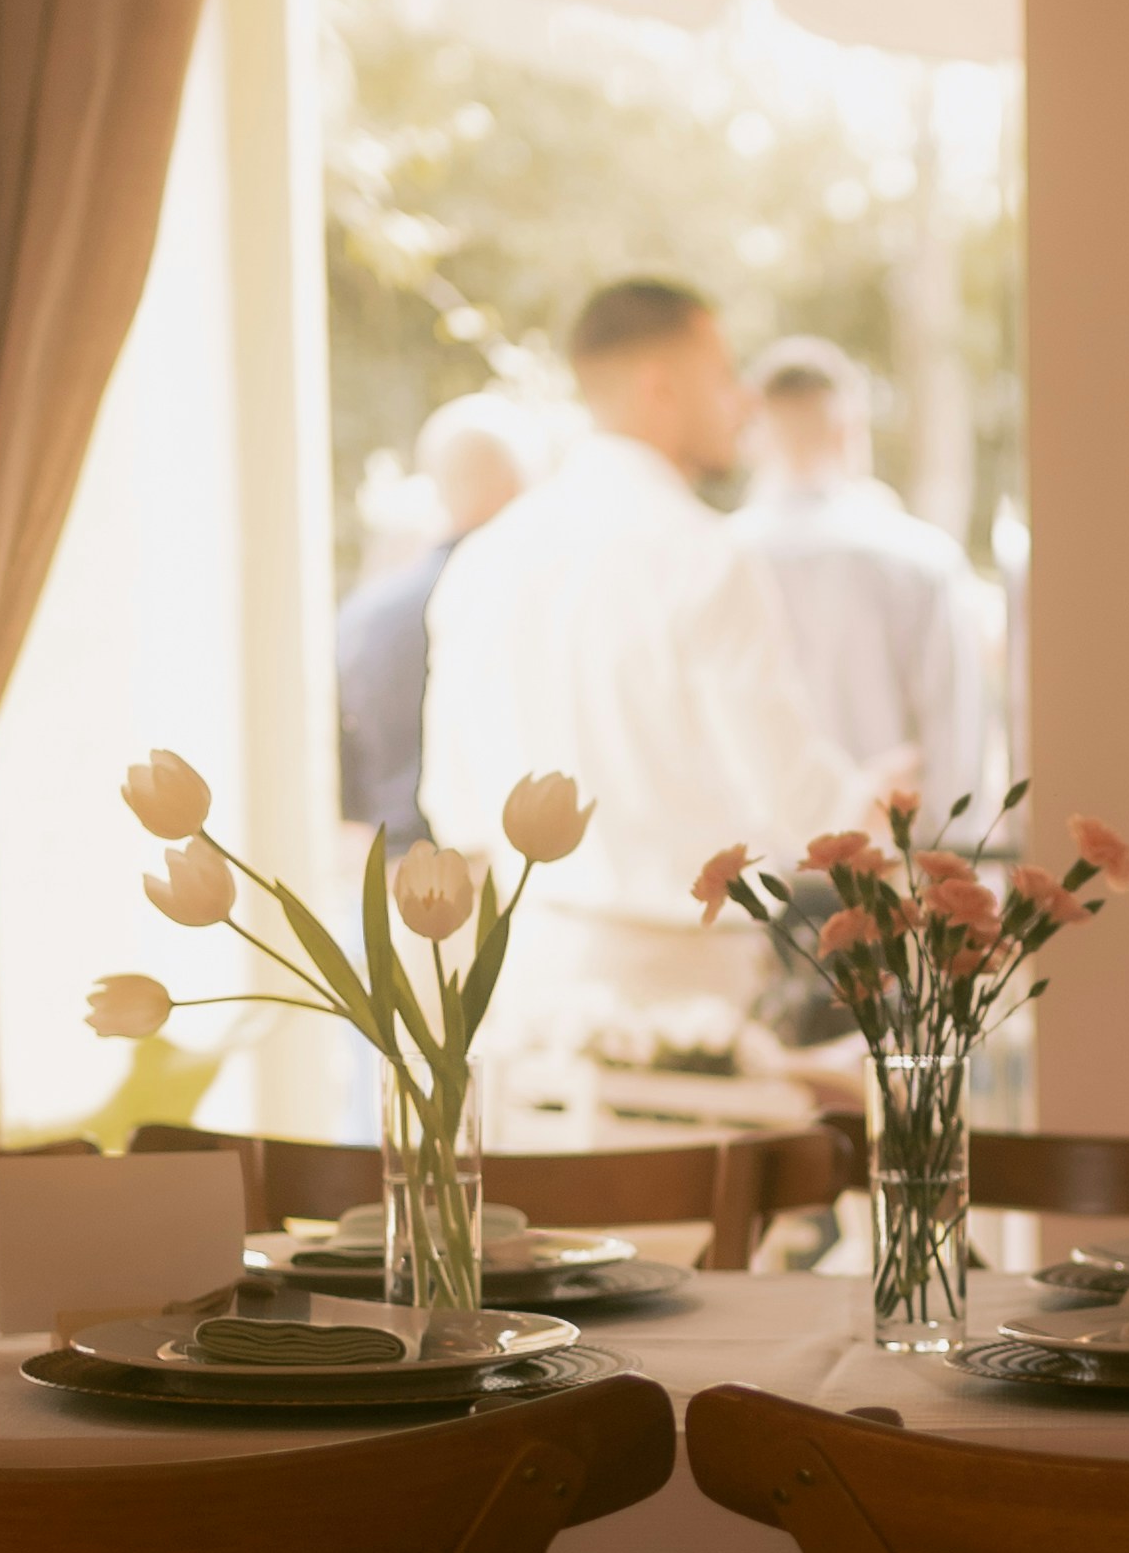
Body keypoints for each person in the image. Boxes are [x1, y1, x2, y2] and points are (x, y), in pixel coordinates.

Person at [418, 280, 835, 1034]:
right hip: (692, 992)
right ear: (658, 387)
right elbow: (792, 797)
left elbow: (456, 808)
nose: (742, 400)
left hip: (531, 985)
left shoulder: (483, 561)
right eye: (722, 375)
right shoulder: (705, 556)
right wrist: (871, 807)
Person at [732, 337, 1004, 831]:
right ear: (850, 429)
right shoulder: (922, 560)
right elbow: (957, 739)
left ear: (755, 434)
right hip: (892, 860)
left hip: (756, 863)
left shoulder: (715, 560)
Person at [334, 396, 524, 846]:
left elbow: (344, 786)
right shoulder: (525, 600)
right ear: (516, 481)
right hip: (503, 869)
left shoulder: (363, 618)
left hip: (391, 870)